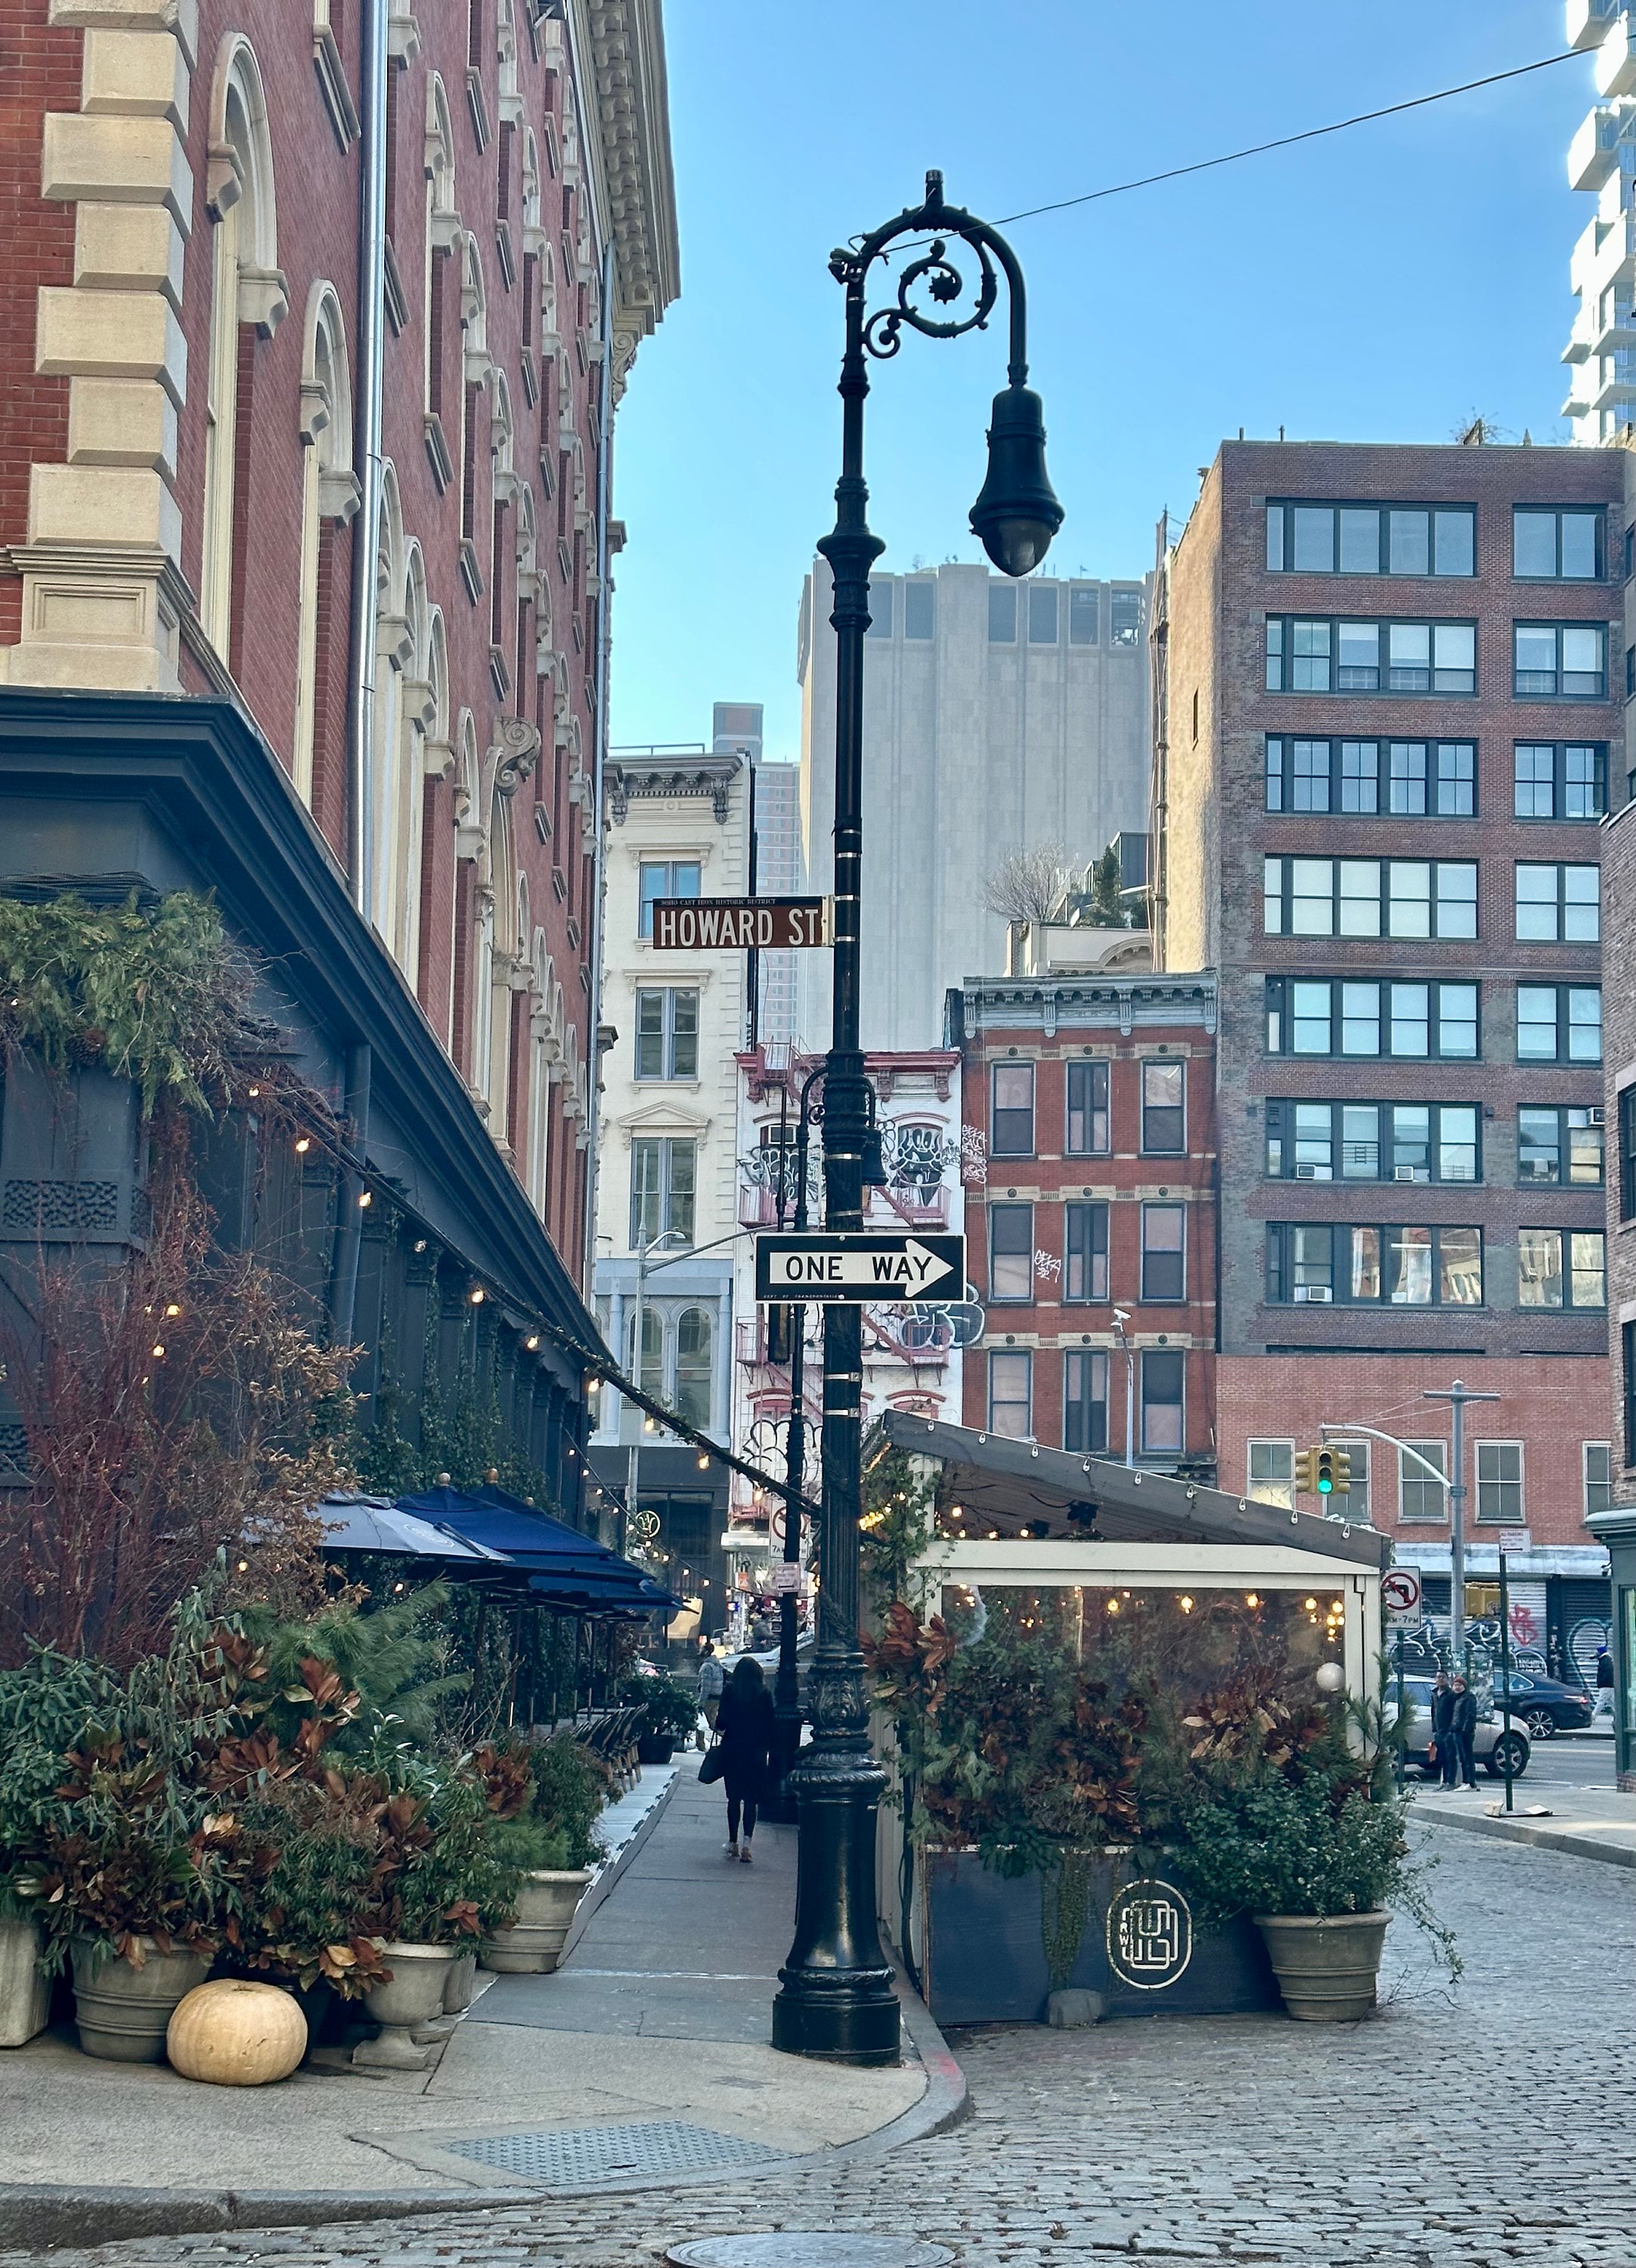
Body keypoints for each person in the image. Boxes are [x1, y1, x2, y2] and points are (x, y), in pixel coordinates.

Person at [715, 1653, 774, 1863]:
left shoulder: (730, 1692)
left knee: (733, 1799)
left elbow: (720, 1723)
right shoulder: (764, 1694)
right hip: (755, 1753)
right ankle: (747, 1844)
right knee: (751, 1800)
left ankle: (733, 1843)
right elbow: (771, 1725)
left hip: (733, 1750)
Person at [1449, 1673, 1478, 1789]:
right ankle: (1466, 1782)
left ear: (1464, 1686)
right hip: (1456, 1730)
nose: (1457, 1687)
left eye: (1459, 1685)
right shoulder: (1457, 1698)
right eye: (1455, 1685)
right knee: (1462, 1757)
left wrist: (1466, 1730)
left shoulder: (1469, 1698)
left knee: (1467, 1757)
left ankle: (1470, 1782)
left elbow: (1470, 1715)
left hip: (1464, 1732)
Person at [1430, 1672, 1457, 1788]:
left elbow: (1455, 1712)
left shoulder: (1451, 1694)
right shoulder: (1435, 1694)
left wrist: (1452, 1728)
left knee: (1451, 1757)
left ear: (1447, 1679)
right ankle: (1444, 1782)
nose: (1440, 1679)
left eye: (1443, 1677)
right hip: (1439, 1731)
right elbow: (1433, 1711)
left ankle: (1451, 1782)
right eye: (1438, 1677)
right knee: (1442, 1758)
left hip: (1449, 1731)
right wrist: (1434, 1728)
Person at [697, 1639, 725, 1734]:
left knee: (701, 1721)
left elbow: (706, 1687)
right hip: (718, 1697)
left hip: (709, 1698)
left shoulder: (707, 1667)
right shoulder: (717, 1665)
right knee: (712, 1720)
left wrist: (701, 1703)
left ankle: (700, 1744)